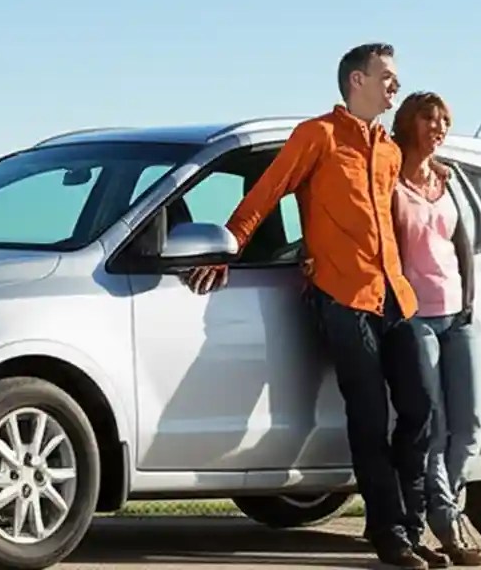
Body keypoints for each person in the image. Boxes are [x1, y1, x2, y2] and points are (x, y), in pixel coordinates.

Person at [184, 43, 440, 570]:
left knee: (419, 409)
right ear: (356, 81)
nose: (395, 85)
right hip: (342, 298)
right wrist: (229, 243)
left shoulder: (390, 151)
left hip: (396, 295)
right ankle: (391, 533)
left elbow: (394, 223)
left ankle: (413, 526)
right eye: (387, 76)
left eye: (396, 77)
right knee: (368, 416)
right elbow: (268, 190)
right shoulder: (317, 136)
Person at [389, 92, 481, 565]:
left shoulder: (448, 180)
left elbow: (463, 245)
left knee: (469, 425)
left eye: (444, 119)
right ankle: (448, 524)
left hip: (457, 316)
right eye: (430, 118)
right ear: (408, 123)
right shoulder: (388, 181)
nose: (439, 126)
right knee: (433, 426)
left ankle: (444, 507)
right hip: (415, 318)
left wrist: (468, 304)